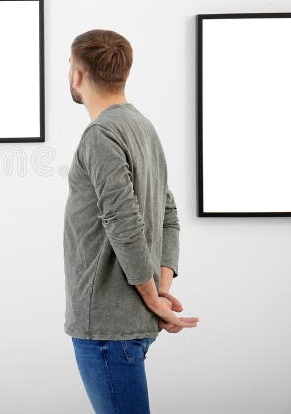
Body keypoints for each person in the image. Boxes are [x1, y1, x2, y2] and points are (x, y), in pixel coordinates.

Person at [63, 29, 198, 414]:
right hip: (130, 320)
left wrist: (155, 298)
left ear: (77, 75)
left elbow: (124, 223)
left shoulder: (101, 133)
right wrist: (158, 292)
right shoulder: (143, 127)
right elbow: (168, 215)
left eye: (70, 66)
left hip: (107, 326)